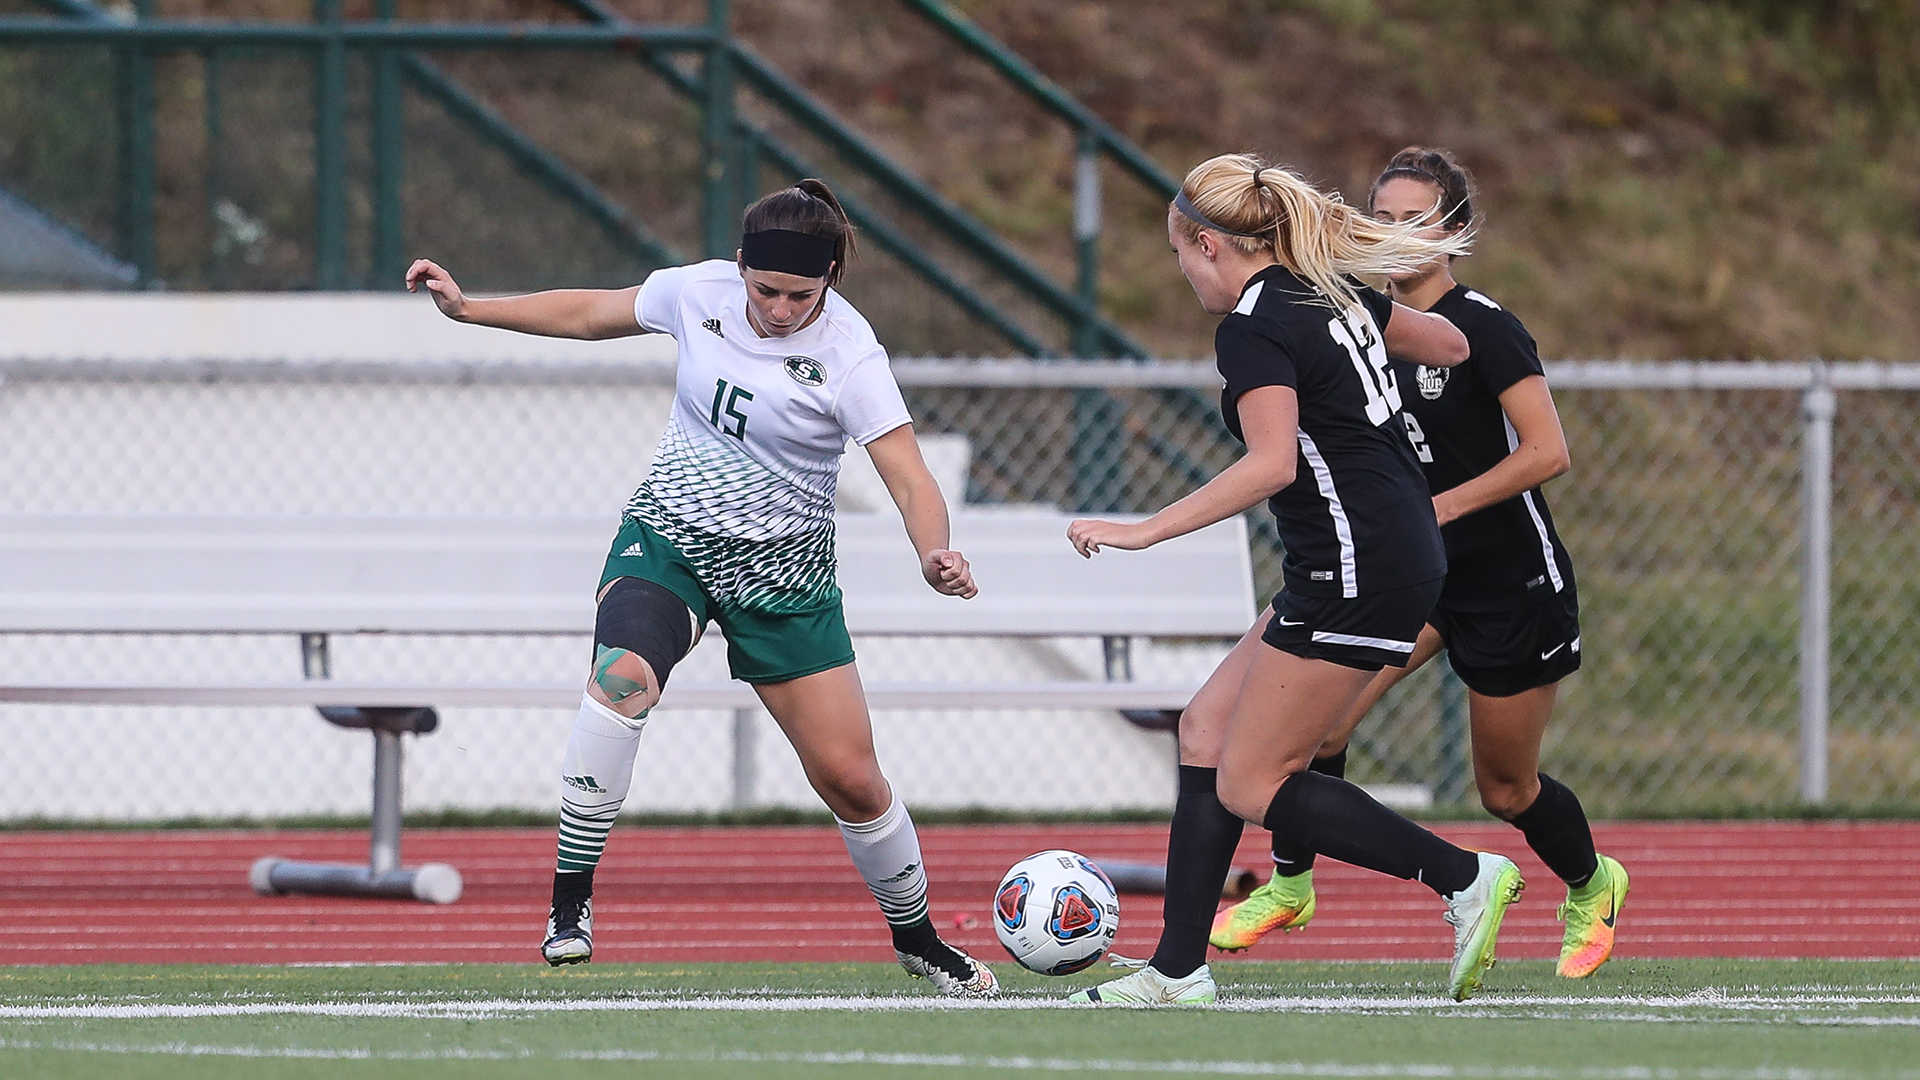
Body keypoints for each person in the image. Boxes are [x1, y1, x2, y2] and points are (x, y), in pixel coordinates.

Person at [404, 179, 999, 997]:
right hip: (669, 540)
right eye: (767, 290)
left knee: (853, 780)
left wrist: (937, 552)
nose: (783, 308)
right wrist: (471, 309)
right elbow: (589, 314)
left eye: (802, 294)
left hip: (783, 574)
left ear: (830, 280)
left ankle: (919, 939)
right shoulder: (699, 291)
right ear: (742, 267)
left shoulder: (851, 354)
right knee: (621, 683)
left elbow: (908, 478)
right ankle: (568, 907)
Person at [1065, 153, 1525, 1006]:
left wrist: (1146, 530)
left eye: (1180, 255)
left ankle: (1464, 877)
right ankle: (1178, 970)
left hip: (1363, 560)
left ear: (1209, 243)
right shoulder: (1326, 292)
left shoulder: (1251, 324)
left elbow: (1270, 465)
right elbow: (1453, 342)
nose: (1184, 273)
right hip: (1369, 549)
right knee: (1205, 730)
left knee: (1251, 782)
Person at [1210, 148, 1628, 978]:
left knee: (1505, 790)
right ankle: (1292, 882)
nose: (1398, 234)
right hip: (1411, 575)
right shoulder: (1351, 314)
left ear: (1457, 231)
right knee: (1320, 726)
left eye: (1419, 219)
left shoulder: (1484, 326)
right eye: (1384, 217)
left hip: (1507, 580)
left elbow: (1548, 452)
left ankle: (1591, 883)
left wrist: (1437, 506)